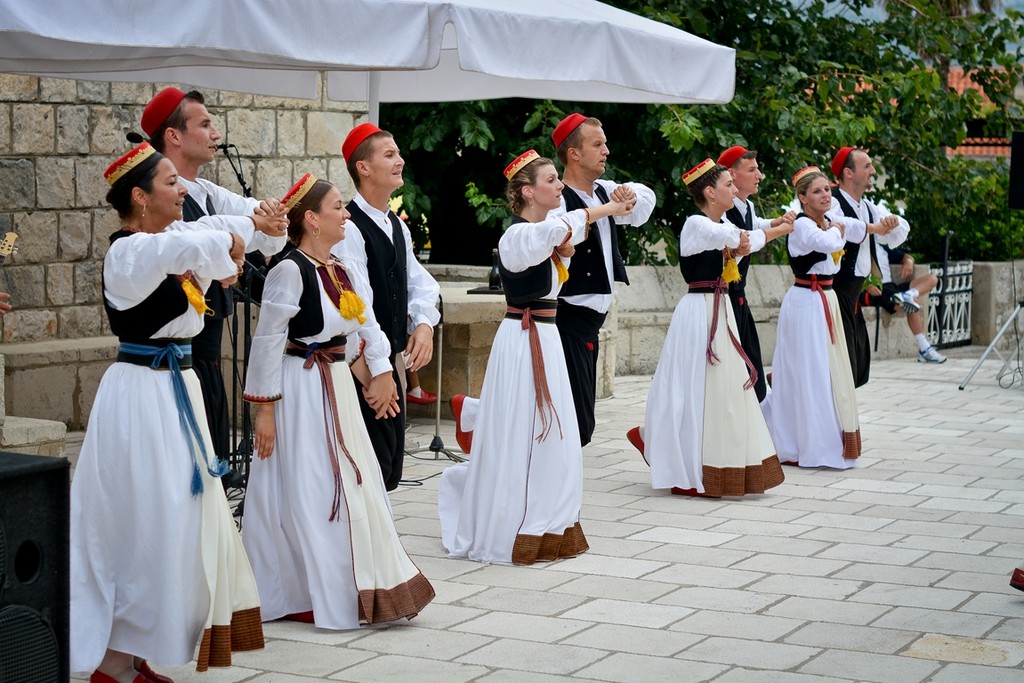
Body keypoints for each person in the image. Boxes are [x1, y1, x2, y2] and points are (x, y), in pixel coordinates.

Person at [71, 142, 265, 681]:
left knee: (175, 521)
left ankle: (135, 656)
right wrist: (226, 244)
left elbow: (235, 236)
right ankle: (111, 662)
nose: (183, 190)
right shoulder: (128, 253)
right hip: (139, 396)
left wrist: (254, 225)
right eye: (170, 183)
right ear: (139, 196)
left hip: (176, 392)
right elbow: (210, 241)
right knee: (141, 519)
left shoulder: (171, 239)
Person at [241, 173, 434, 629]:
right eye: (337, 208)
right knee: (307, 489)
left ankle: (340, 585)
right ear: (311, 218)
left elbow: (349, 338)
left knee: (345, 484)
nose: (346, 213)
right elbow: (267, 342)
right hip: (300, 392)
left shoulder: (338, 269)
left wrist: (373, 383)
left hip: (336, 388)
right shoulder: (289, 270)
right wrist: (264, 411)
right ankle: (303, 589)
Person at [439, 150, 630, 563]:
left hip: (545, 337)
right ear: (528, 191)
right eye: (550, 180)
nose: (559, 185)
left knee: (554, 431)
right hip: (523, 338)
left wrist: (611, 209)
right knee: (522, 427)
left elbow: (566, 233)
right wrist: (606, 208)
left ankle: (548, 521)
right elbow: (563, 227)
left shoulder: (545, 232)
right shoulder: (518, 235)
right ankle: (510, 522)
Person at [141, 86, 289, 472]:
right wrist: (250, 225)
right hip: (176, 348)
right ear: (173, 136)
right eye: (204, 124)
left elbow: (257, 227)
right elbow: (197, 238)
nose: (216, 134)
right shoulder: (159, 199)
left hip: (205, 351)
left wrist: (269, 213)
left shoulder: (205, 191)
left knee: (212, 451)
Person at [626, 160, 783, 498]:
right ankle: (683, 464)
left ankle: (715, 462)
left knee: (724, 388)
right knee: (694, 387)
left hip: (720, 308)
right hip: (699, 312)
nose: (735, 189)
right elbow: (735, 238)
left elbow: (739, 246)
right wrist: (773, 231)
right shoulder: (697, 224)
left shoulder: (723, 222)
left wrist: (750, 241)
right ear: (710, 192)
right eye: (728, 184)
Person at [333, 123, 440, 490]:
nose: (400, 160)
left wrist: (424, 324)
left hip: (387, 360)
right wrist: (380, 374)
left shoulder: (397, 224)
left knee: (388, 467)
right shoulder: (348, 228)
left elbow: (420, 284)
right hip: (361, 365)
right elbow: (357, 306)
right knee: (369, 466)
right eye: (389, 154)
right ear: (363, 168)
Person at [551, 113, 656, 446]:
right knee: (576, 422)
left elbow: (645, 203)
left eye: (606, 143)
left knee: (573, 419)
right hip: (565, 319)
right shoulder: (558, 199)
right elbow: (563, 228)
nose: (606, 151)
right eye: (597, 144)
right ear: (574, 154)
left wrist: (630, 195)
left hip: (591, 323)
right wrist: (612, 208)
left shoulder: (604, 192)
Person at [764, 166, 862, 469]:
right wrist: (837, 230)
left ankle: (826, 440)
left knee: (827, 370)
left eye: (827, 190)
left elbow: (857, 228)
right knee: (807, 370)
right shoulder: (803, 225)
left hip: (826, 299)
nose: (825, 195)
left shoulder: (829, 220)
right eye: (817, 191)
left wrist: (880, 227)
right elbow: (830, 243)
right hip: (805, 301)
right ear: (803, 198)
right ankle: (799, 444)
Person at [717, 145, 796, 403]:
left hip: (737, 296)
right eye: (752, 169)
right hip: (722, 298)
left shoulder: (745, 206)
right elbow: (745, 240)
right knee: (732, 369)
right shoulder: (721, 211)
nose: (759, 175)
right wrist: (781, 230)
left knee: (751, 368)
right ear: (732, 174)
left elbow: (755, 223)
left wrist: (774, 222)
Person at [829, 146, 908, 385]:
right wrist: (873, 228)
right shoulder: (833, 203)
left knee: (858, 364)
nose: (873, 171)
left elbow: (899, 231)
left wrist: (893, 222)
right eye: (867, 166)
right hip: (835, 293)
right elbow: (841, 225)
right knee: (842, 365)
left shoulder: (868, 207)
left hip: (853, 295)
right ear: (848, 173)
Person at [865, 244, 946, 363]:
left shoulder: (880, 244)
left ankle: (909, 295)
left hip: (890, 286)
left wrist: (908, 261)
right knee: (910, 304)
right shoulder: (856, 246)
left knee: (932, 279)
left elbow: (905, 256)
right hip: (876, 289)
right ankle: (925, 350)